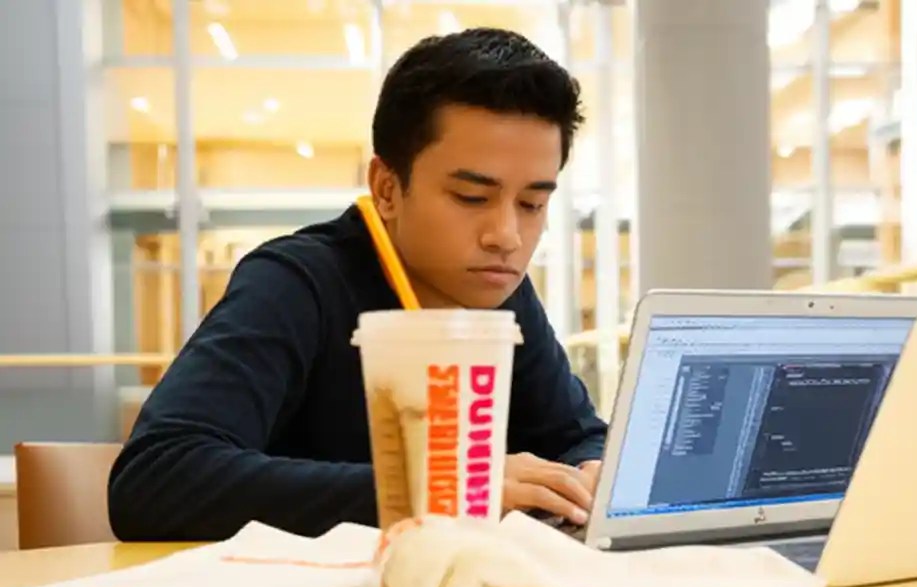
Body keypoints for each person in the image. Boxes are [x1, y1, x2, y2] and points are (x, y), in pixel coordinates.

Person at [108, 28, 606, 542]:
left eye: (532, 205)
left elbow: (578, 437)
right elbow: (155, 479)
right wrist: (448, 491)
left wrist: (594, 475)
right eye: (471, 197)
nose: (505, 237)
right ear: (387, 189)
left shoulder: (500, 298)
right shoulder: (296, 283)